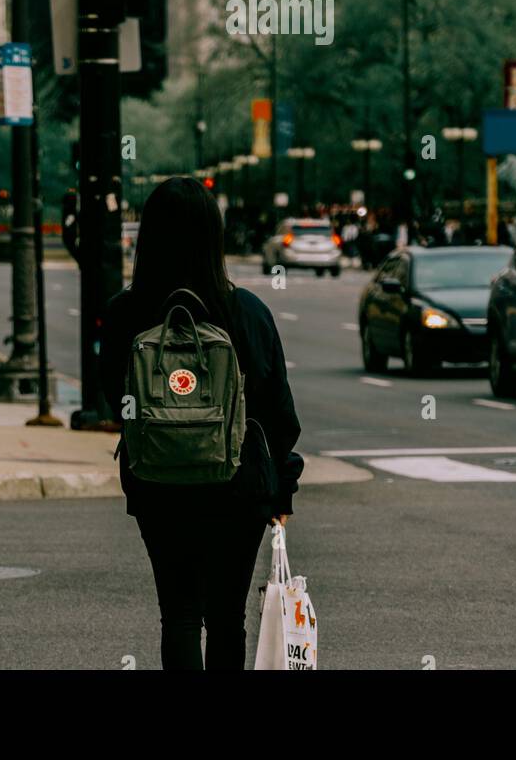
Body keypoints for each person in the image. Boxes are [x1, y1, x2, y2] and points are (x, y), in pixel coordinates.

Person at [100, 176, 304, 672]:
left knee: (180, 614)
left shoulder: (126, 314)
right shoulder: (247, 313)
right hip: (237, 488)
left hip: (158, 485)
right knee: (227, 617)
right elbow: (278, 412)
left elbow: (116, 403)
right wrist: (283, 491)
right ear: (214, 237)